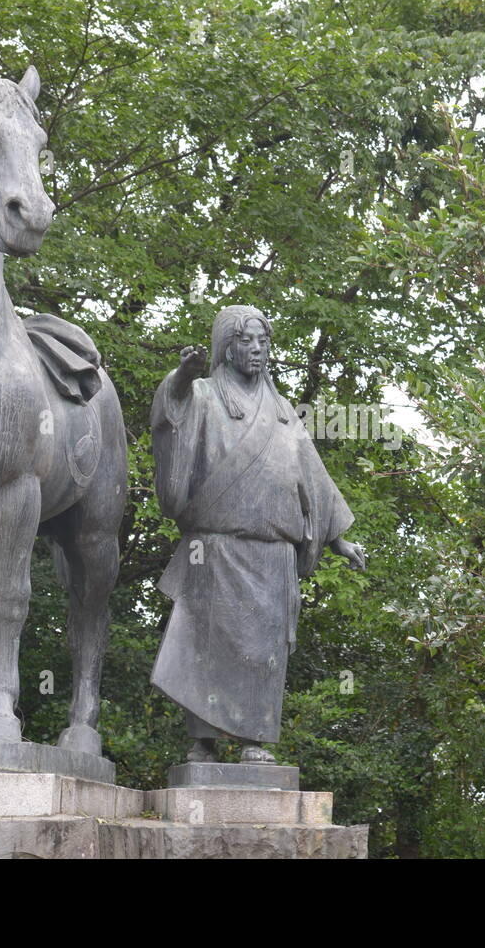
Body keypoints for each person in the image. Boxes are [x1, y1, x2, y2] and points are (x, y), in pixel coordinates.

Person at [150, 304, 366, 764]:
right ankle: (201, 742)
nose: (256, 350)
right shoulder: (205, 396)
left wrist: (336, 538)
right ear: (226, 347)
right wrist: (182, 379)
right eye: (245, 341)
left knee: (262, 653)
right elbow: (172, 415)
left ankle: (254, 741)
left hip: (271, 556)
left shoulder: (283, 412)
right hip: (214, 549)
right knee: (202, 647)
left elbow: (312, 477)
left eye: (263, 342)